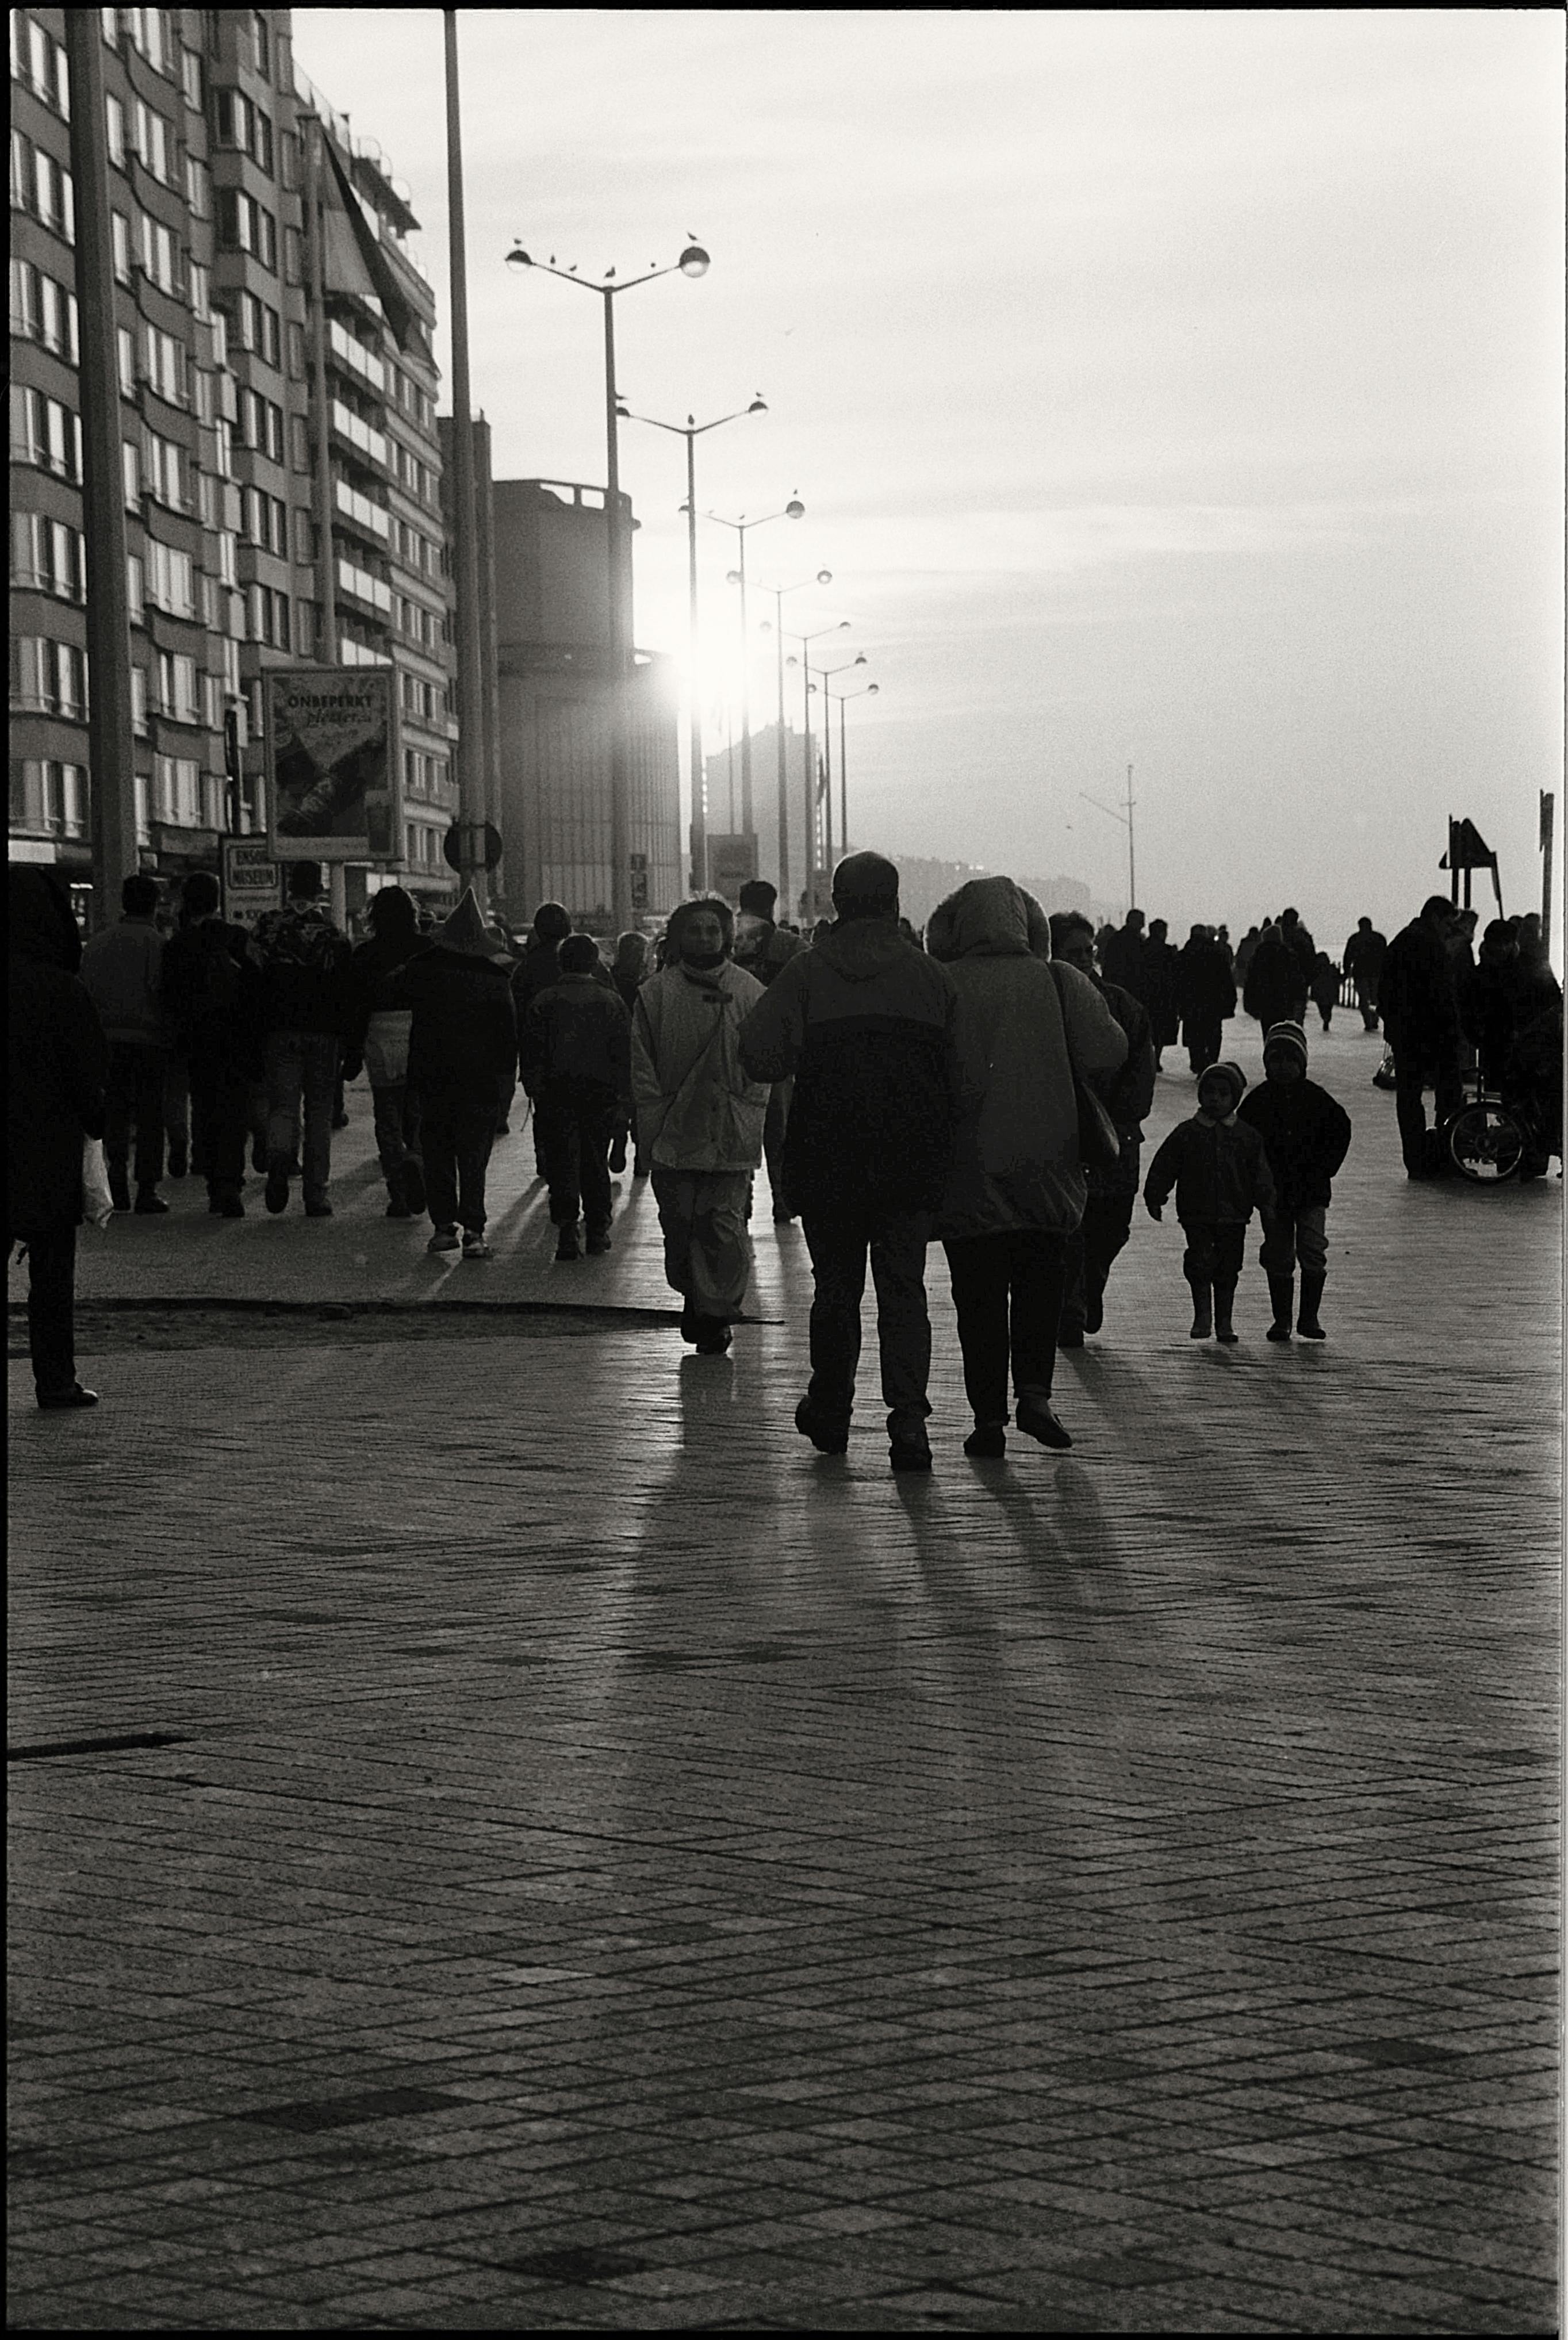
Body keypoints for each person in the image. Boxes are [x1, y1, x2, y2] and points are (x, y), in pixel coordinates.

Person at [739, 852, 960, 1472]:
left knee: (836, 1290)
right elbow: (962, 1076)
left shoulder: (808, 974)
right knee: (903, 1292)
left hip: (828, 1158)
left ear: (837, 903)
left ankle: (832, 1407)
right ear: (893, 903)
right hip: (909, 1164)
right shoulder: (931, 978)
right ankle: (909, 1422)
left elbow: (757, 1054)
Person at [926, 880, 1127, 1456]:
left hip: (970, 1169)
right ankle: (1035, 1393)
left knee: (978, 1299)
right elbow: (1108, 1050)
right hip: (1049, 1161)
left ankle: (987, 1418)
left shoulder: (944, 985)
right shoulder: (1060, 980)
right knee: (1040, 1287)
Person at [631, 897, 768, 1352]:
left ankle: (718, 1310)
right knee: (681, 1223)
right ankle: (697, 1295)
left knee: (723, 1225)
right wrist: (653, 1119)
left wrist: (745, 1101)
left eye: (713, 930)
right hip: (673, 1130)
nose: (705, 939)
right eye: (696, 930)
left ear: (726, 936)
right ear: (678, 936)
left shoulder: (750, 992)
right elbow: (641, 1067)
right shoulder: (655, 994)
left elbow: (766, 1065)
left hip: (731, 1128)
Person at [9, 867, 110, 1410]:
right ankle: (54, 1379)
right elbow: (88, 1071)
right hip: (46, 1148)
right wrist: (97, 1124)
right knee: (51, 1275)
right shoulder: (60, 988)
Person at [1049, 912, 1156, 1347]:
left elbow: (1139, 1071)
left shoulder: (1121, 1006)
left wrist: (1114, 1116)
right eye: (1071, 953)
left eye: (1086, 951)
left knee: (1112, 1228)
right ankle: (1071, 1311)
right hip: (1062, 1142)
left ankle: (1089, 1287)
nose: (1081, 961)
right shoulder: (1043, 1006)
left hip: (1115, 1139)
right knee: (1070, 1230)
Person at [401, 888, 516, 1259]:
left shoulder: (425, 972)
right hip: (480, 1081)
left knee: (437, 1153)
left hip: (433, 1076)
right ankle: (474, 1231)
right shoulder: (496, 979)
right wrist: (506, 1086)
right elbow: (507, 1039)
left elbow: (393, 986)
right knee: (473, 1158)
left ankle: (442, 1227)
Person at [1143, 1062, 1275, 1343]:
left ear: (1234, 1098)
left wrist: (1267, 1205)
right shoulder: (1187, 1133)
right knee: (1199, 1262)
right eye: (1209, 1092)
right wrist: (1155, 1194)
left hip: (1234, 1215)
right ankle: (1203, 1315)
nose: (1215, 1099)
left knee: (1229, 1268)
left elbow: (1260, 1175)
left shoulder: (1246, 1136)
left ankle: (1224, 1321)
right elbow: (1165, 1165)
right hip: (1196, 1213)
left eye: (1223, 1094)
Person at [1237, 1021, 1352, 1341]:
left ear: (1302, 1063)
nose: (1283, 1067)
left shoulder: (1318, 1101)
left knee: (1313, 1248)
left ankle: (1309, 1317)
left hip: (1312, 1190)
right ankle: (1282, 1319)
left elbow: (1341, 1131)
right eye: (1276, 1060)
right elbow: (1244, 1144)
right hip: (1274, 1192)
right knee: (1279, 1252)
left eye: (1290, 1060)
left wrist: (1325, 1168)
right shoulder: (1258, 1102)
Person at [160, 872, 264, 1217]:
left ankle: (213, 1182)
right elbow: (255, 985)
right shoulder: (236, 937)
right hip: (236, 1038)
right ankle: (231, 1183)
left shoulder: (178, 945)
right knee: (234, 1111)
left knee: (204, 1108)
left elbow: (170, 998)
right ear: (218, 900)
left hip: (198, 1039)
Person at [522, 933, 632, 1258]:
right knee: (594, 1160)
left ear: (562, 962)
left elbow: (530, 1051)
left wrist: (535, 1088)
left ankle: (567, 1230)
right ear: (594, 963)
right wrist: (624, 1099)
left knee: (562, 1162)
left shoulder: (544, 1001)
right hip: (600, 1095)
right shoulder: (611, 1001)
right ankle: (598, 1230)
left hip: (556, 1095)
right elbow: (624, 1054)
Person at [254, 861, 352, 1217]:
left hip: (280, 1031)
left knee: (282, 1106)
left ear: (290, 887)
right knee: (319, 1114)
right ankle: (316, 1193)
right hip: (323, 1035)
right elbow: (346, 993)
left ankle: (280, 1159)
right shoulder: (333, 935)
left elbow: (254, 981)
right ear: (320, 890)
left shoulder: (268, 928)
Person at [79, 872, 170, 1215]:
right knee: (149, 1116)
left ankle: (116, 1176)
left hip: (107, 1043)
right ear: (155, 905)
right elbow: (160, 992)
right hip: (148, 1043)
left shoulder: (98, 945)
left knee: (115, 1113)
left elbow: (85, 995)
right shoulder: (157, 945)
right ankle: (147, 1188)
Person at [340, 886, 427, 1219]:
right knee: (419, 1112)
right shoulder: (426, 950)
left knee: (387, 1115)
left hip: (378, 1034)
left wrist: (351, 1054)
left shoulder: (365, 955)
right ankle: (417, 1160)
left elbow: (354, 1007)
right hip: (418, 1034)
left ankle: (398, 1190)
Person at [733, 878, 806, 1223]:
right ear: (772, 905)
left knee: (738, 1124)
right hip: (776, 1049)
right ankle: (781, 1197)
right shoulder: (790, 946)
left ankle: (742, 1195)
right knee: (778, 1128)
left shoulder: (726, 941)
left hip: (730, 1048)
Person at [1378, 895, 1463, 1178]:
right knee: (1448, 1094)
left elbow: (1385, 992)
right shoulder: (1431, 947)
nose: (1448, 930)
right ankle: (1445, 1153)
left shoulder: (1401, 942)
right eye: (1448, 924)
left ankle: (1415, 1159)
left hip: (1406, 1037)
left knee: (1409, 1097)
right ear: (1436, 918)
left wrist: (1393, 1025)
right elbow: (1442, 996)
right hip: (1435, 1035)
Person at [607, 931, 651, 1173]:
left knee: (619, 1100)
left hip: (614, 1052)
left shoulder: (608, 981)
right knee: (642, 1104)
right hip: (641, 1052)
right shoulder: (646, 986)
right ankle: (641, 1157)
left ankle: (619, 1140)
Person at [1177, 923, 1237, 1077]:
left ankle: (1198, 1063)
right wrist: (1230, 1000)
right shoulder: (1217, 954)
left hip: (1191, 1003)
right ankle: (1212, 1061)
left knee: (1194, 1034)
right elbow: (1226, 979)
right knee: (1213, 1034)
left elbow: (1176, 980)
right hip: (1213, 1003)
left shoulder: (1185, 954)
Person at [1243, 920, 1308, 1033]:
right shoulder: (1287, 955)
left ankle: (1270, 1049)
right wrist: (1299, 1000)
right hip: (1284, 1002)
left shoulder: (1259, 956)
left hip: (1265, 1003)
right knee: (1283, 1031)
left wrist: (1250, 1004)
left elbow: (1251, 981)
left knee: (1268, 1031)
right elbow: (1296, 979)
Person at [1136, 916, 1181, 1071]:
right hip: (1164, 996)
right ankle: (1156, 1058)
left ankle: (1148, 1058)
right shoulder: (1168, 951)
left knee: (1147, 1029)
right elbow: (1175, 974)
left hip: (1145, 995)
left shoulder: (1142, 949)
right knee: (1161, 1031)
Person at [1343, 917, 1387, 1031]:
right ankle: (1375, 1018)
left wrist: (1346, 972)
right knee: (1376, 998)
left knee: (1364, 999)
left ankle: (1368, 1021)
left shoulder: (1355, 939)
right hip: (1377, 973)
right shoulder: (1379, 938)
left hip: (1360, 973)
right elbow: (1386, 956)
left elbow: (1348, 957)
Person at [1099, 907, 1145, 994]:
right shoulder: (1133, 942)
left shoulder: (1116, 939)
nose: (1142, 925)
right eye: (1140, 922)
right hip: (1127, 985)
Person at [1309, 951, 1340, 1033]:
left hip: (1319, 993)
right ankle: (1327, 1019)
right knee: (1329, 1008)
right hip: (1331, 992)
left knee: (1322, 1008)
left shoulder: (1315, 970)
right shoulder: (1332, 969)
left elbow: (1311, 980)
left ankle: (1325, 1019)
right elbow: (1338, 979)